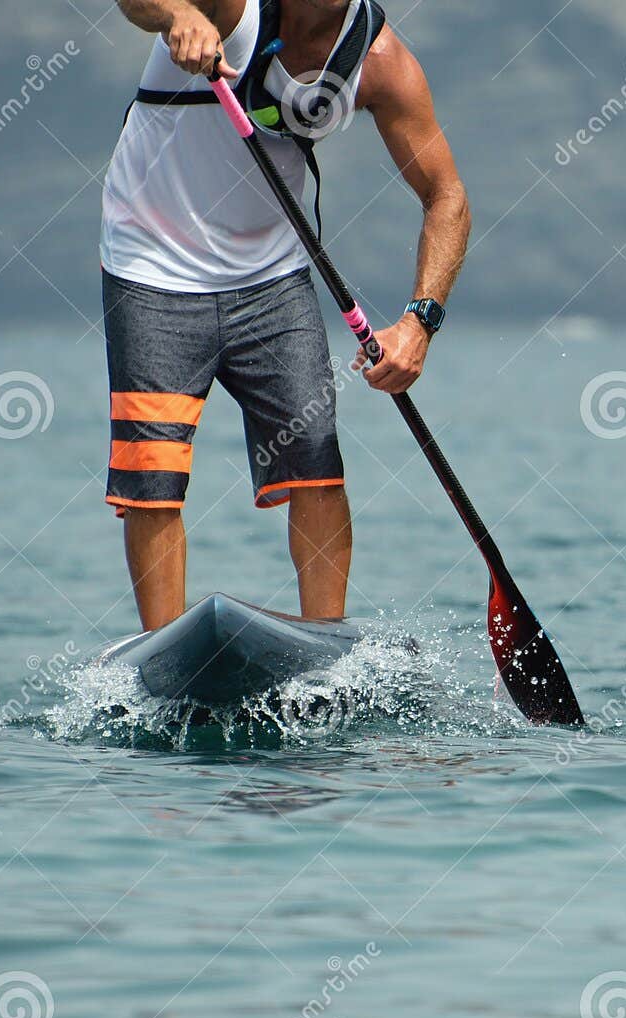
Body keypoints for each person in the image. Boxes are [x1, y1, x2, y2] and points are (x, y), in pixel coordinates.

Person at [103, 0, 470, 629]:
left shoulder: (378, 62)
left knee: (317, 465)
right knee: (153, 476)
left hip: (272, 276)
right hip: (152, 265)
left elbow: (448, 197)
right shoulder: (229, 8)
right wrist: (176, 16)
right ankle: (164, 651)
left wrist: (418, 323)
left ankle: (323, 650)